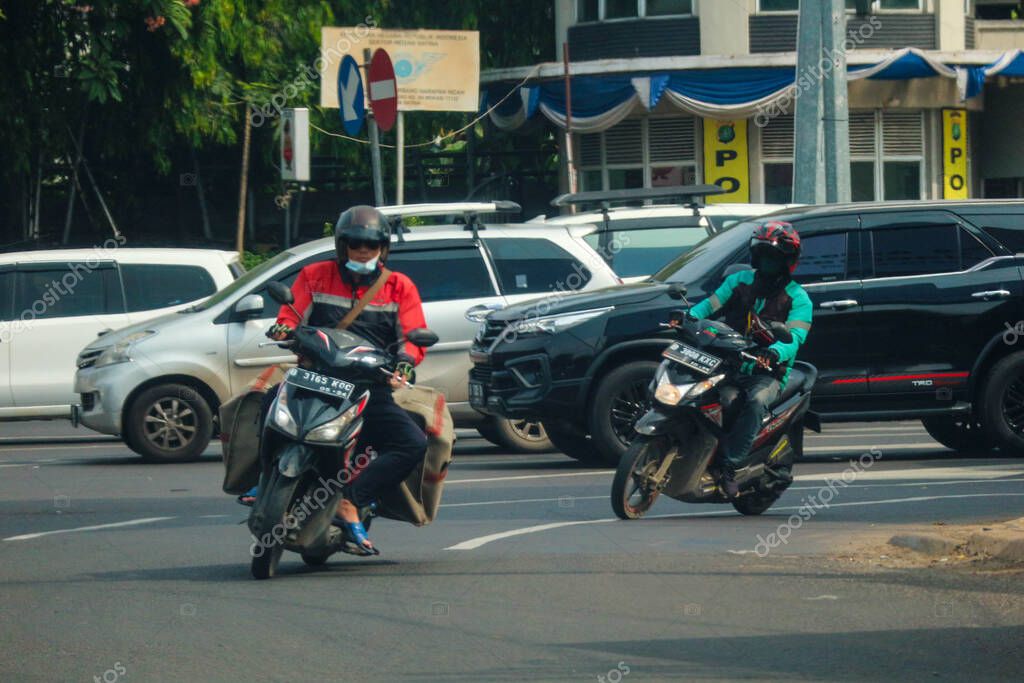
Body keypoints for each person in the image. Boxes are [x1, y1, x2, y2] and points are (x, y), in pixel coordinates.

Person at [254, 205, 429, 555]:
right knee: (266, 400)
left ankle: (352, 500)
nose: (363, 252)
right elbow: (290, 314)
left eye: (370, 246)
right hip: (314, 377)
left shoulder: (398, 286)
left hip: (367, 388)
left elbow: (411, 335)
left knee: (412, 442)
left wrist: (407, 362)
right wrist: (283, 328)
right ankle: (263, 480)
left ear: (382, 248)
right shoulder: (314, 275)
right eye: (355, 245)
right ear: (341, 245)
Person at [685, 221, 812, 498]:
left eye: (773, 257)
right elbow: (709, 306)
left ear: (786, 261)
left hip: (767, 372)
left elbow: (796, 338)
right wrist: (688, 318)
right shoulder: (738, 281)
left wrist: (774, 352)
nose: (766, 262)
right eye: (762, 256)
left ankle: (730, 467)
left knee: (754, 402)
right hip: (727, 361)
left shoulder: (799, 298)